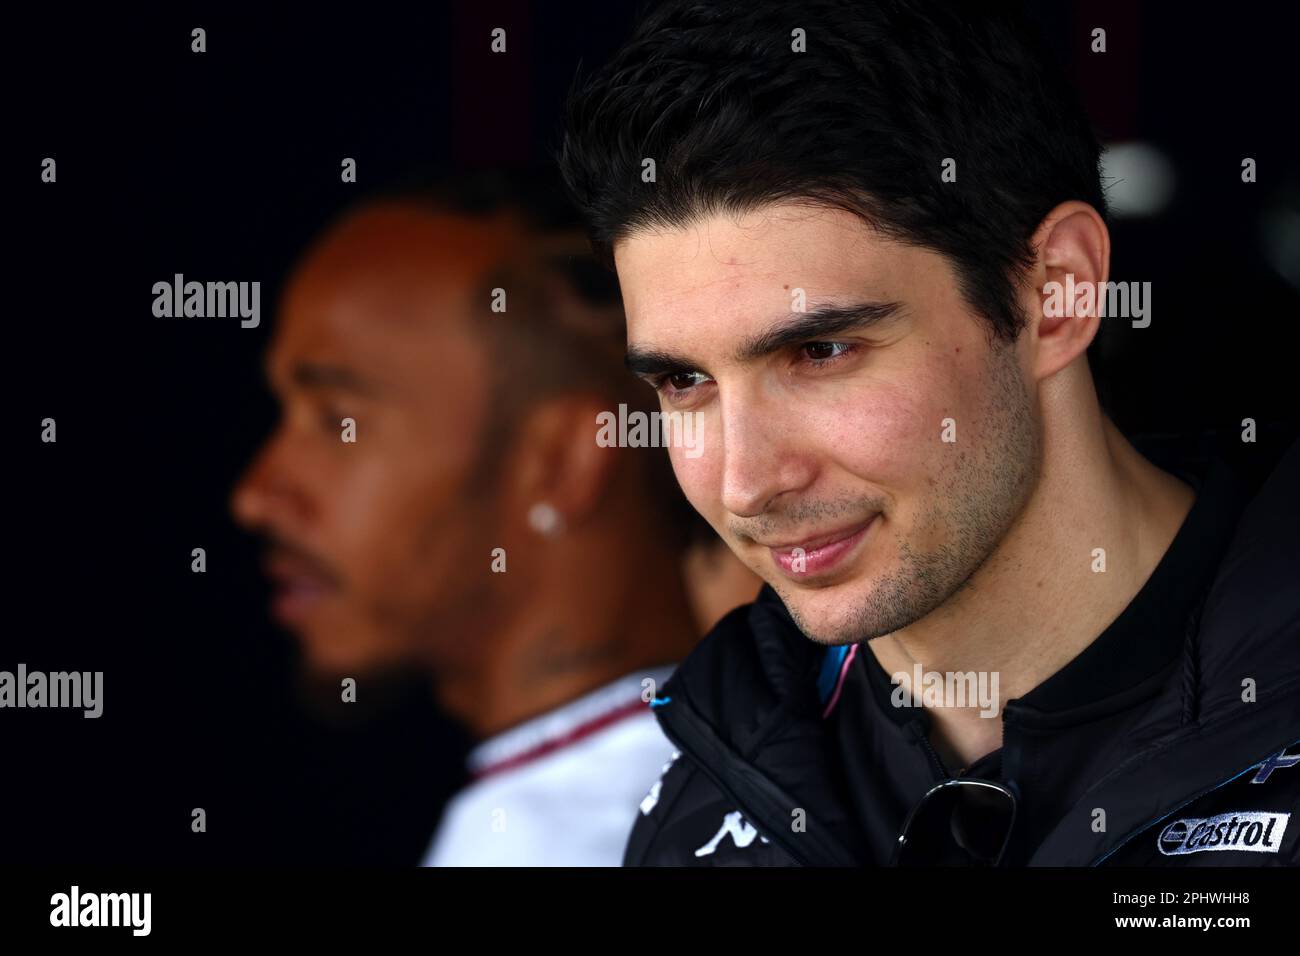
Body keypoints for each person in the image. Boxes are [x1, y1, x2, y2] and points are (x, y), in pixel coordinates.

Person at [555, 0, 1300, 865]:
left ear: (1055, 292)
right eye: (686, 381)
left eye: (821, 350)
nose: (746, 482)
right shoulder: (701, 813)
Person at [230, 169, 706, 865]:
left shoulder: (563, 839)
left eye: (339, 422)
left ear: (565, 460)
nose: (256, 494)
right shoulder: (759, 782)